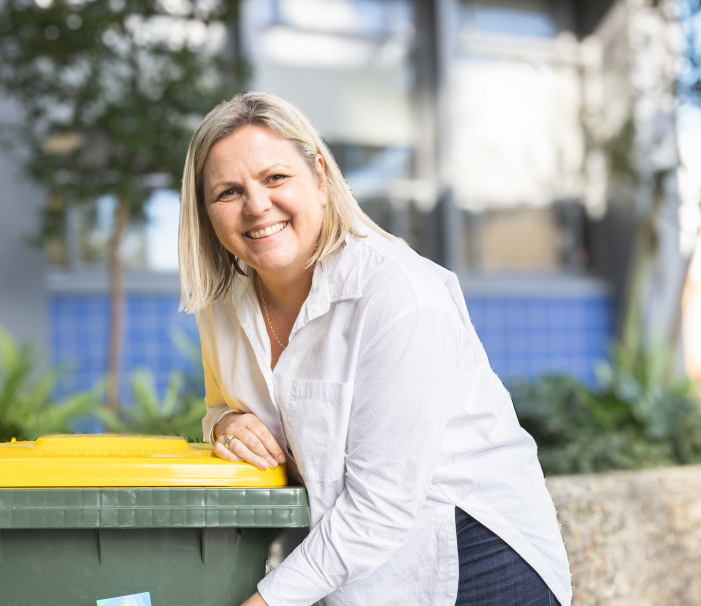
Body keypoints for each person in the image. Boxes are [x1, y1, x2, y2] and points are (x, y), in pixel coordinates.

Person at [178, 93, 571, 606]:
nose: (256, 206)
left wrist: (266, 602)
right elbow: (221, 409)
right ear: (206, 212)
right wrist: (225, 425)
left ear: (319, 177)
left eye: (275, 178)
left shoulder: (399, 294)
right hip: (354, 569)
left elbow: (380, 506)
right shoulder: (222, 307)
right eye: (228, 192)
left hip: (477, 556)